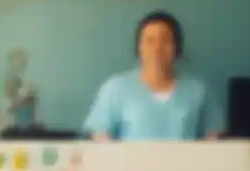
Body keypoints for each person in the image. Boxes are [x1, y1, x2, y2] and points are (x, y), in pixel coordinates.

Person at [83, 10, 223, 141]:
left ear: (177, 46)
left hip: (185, 166)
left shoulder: (198, 90)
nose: (158, 48)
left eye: (165, 40)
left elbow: (212, 138)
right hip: (129, 166)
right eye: (150, 40)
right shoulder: (116, 88)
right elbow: (100, 137)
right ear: (139, 47)